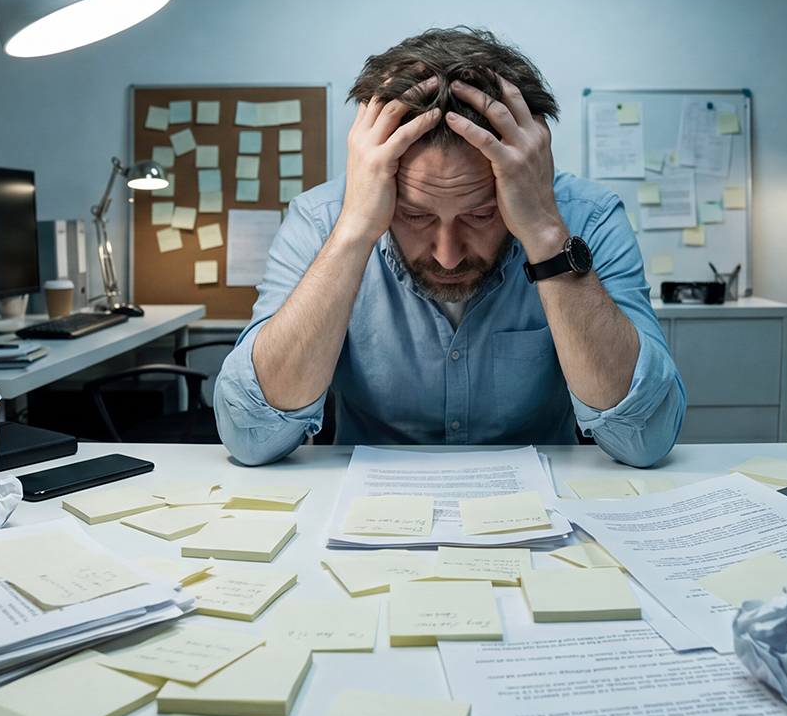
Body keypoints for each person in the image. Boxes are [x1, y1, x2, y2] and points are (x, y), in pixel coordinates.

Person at [214, 27, 685, 466]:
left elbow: (644, 439)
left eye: (480, 215)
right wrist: (355, 229)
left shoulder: (588, 218)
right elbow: (252, 437)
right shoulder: (320, 220)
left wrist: (544, 233)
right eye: (416, 215)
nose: (447, 255)